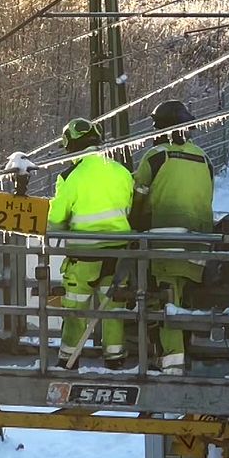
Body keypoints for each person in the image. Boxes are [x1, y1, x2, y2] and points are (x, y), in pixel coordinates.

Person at [132, 100, 215, 375]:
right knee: (184, 299)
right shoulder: (203, 157)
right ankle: (183, 353)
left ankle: (172, 364)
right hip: (200, 245)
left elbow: (137, 198)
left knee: (165, 301)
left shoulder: (156, 156)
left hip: (165, 244)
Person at [49, 117, 135, 370]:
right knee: (113, 309)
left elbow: (56, 221)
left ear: (71, 146)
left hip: (83, 256)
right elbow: (128, 208)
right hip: (118, 255)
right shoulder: (121, 171)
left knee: (75, 307)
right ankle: (115, 356)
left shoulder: (70, 176)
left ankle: (68, 358)